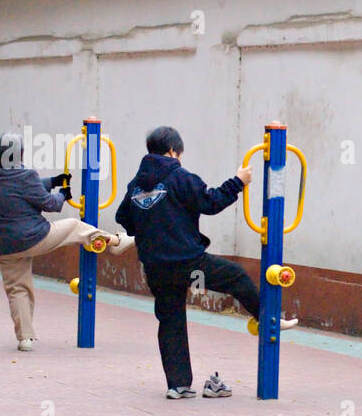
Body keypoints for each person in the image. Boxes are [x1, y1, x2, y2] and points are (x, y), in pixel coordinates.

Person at [115, 126, 293, 399]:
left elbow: (124, 218)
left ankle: (178, 385)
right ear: (173, 151)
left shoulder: (136, 185)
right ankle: (267, 317)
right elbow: (210, 202)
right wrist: (239, 181)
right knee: (234, 276)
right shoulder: (179, 176)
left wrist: (151, 229)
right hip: (188, 262)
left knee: (170, 319)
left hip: (155, 267)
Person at [0, 131, 134, 351]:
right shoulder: (26, 176)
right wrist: (63, 193)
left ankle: (24, 338)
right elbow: (50, 204)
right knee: (75, 226)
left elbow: (25, 189)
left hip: (4, 246)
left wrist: (53, 181)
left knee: (17, 289)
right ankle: (114, 241)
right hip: (33, 238)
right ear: (22, 153)